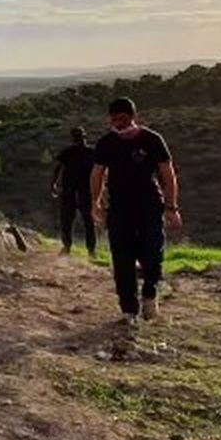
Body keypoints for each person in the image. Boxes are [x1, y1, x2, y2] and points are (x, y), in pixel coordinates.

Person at [90, 97, 182, 328]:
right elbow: (97, 174)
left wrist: (172, 207)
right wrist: (95, 202)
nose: (120, 123)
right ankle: (128, 310)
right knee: (122, 259)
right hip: (120, 208)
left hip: (150, 205)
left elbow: (168, 174)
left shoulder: (152, 139)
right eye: (115, 119)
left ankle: (150, 292)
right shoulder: (106, 143)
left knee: (153, 252)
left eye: (124, 118)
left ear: (133, 116)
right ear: (110, 119)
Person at [52, 126, 97, 256]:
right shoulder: (90, 152)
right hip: (78, 190)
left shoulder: (71, 152)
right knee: (83, 220)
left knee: (72, 220)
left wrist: (54, 185)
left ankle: (72, 247)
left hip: (76, 190)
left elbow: (57, 169)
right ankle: (87, 249)